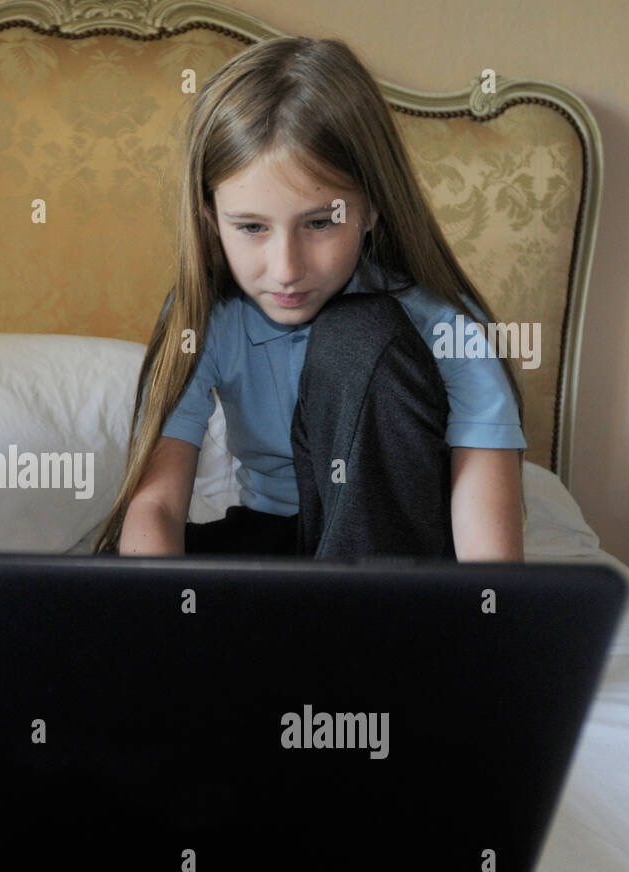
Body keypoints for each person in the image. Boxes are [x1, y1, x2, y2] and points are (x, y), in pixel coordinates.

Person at [95, 37, 527, 560]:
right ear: (211, 219)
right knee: (100, 594)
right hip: (276, 541)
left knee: (359, 336)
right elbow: (155, 507)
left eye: (320, 223)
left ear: (372, 209)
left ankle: (357, 625)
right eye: (251, 227)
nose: (286, 270)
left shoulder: (445, 325)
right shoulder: (206, 312)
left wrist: (484, 621)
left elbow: (491, 563)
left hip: (395, 558)